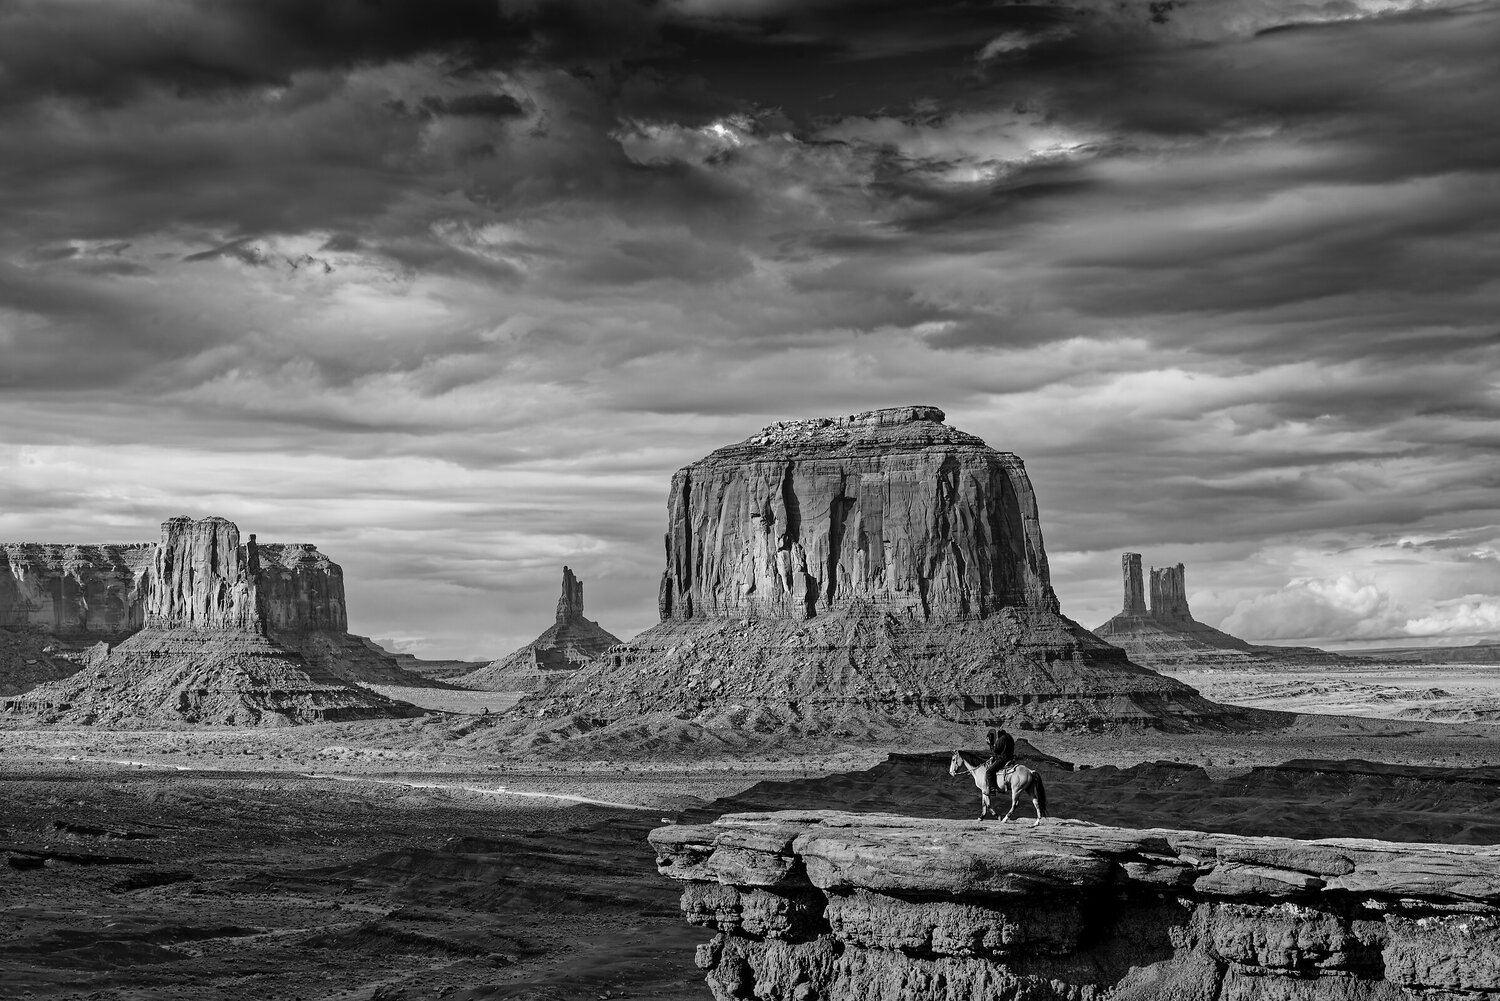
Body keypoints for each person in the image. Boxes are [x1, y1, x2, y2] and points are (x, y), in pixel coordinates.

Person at [982, 726, 1015, 793]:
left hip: (1002, 760)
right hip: (1011, 758)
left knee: (989, 771)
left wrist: (990, 744)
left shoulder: (1001, 740)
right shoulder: (1010, 738)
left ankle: (993, 788)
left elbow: (995, 751)